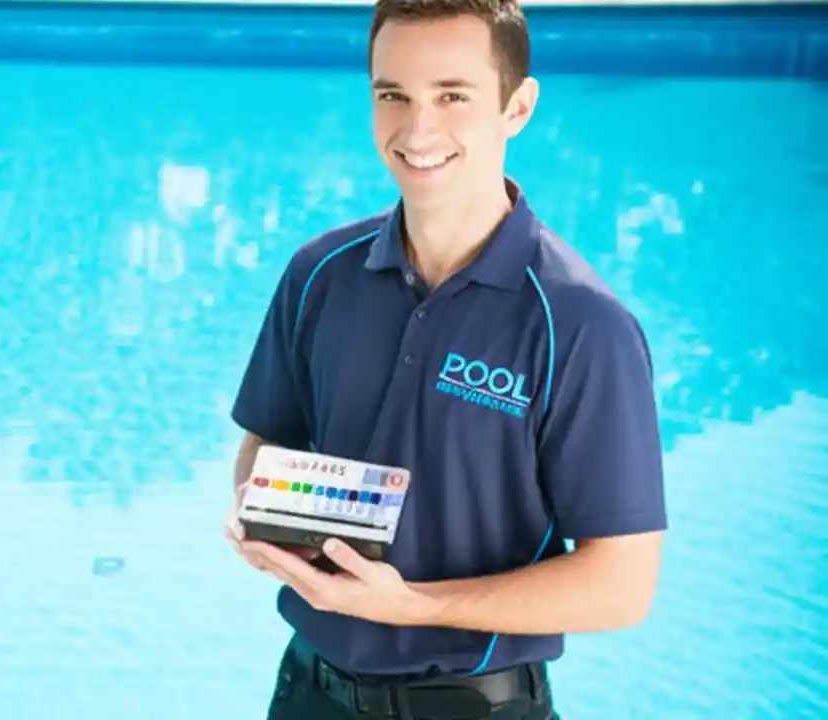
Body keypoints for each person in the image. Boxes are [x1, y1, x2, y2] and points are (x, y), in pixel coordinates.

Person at [223, 1, 668, 718]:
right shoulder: (319, 274)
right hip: (309, 692)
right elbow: (266, 443)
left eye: (452, 96)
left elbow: (621, 585)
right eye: (392, 94)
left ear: (516, 107)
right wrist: (269, 525)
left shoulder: (582, 326)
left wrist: (411, 606)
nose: (417, 129)